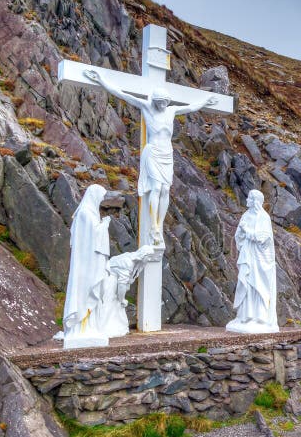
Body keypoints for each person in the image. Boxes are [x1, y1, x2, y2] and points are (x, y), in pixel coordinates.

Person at [83, 69, 220, 245]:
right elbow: (122, 94)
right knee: (156, 188)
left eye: (164, 102)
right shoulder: (147, 107)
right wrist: (102, 80)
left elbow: (191, 107)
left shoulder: (171, 111)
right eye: (159, 102)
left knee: (165, 190)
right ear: (154, 101)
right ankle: (154, 225)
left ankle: (159, 225)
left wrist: (206, 100)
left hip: (167, 154)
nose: (161, 105)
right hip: (153, 152)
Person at [61, 184, 110, 341]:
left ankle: (89, 326)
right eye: (100, 197)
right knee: (84, 292)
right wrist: (104, 226)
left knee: (90, 293)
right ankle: (81, 326)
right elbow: (91, 238)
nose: (101, 201)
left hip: (91, 261)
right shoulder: (85, 214)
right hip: (85, 263)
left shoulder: (91, 214)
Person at [226, 190, 279, 333]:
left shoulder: (263, 217)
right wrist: (243, 233)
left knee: (258, 285)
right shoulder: (246, 215)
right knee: (247, 283)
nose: (247, 199)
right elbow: (239, 235)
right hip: (248, 254)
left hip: (259, 258)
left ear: (256, 201)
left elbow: (264, 238)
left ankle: (259, 317)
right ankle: (245, 316)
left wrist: (248, 231)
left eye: (250, 197)